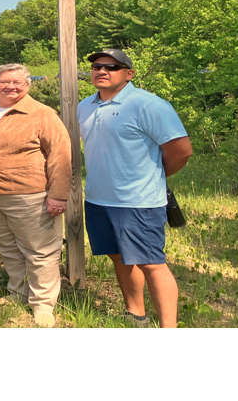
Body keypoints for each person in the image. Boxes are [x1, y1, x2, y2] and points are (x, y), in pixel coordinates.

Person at [78, 49, 192, 328]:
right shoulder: (85, 105)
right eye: (96, 66)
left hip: (138, 202)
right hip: (98, 199)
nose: (102, 70)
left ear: (129, 74)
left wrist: (152, 177)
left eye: (112, 67)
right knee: (120, 258)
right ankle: (135, 315)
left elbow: (181, 150)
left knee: (151, 263)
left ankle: (169, 325)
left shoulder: (148, 105)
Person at [0, 64, 72, 327]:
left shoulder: (42, 114)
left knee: (40, 251)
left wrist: (58, 194)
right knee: (8, 248)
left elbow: (61, 154)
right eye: (4, 82)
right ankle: (18, 292)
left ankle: (43, 304)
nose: (10, 86)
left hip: (29, 194)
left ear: (28, 85)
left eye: (18, 82)